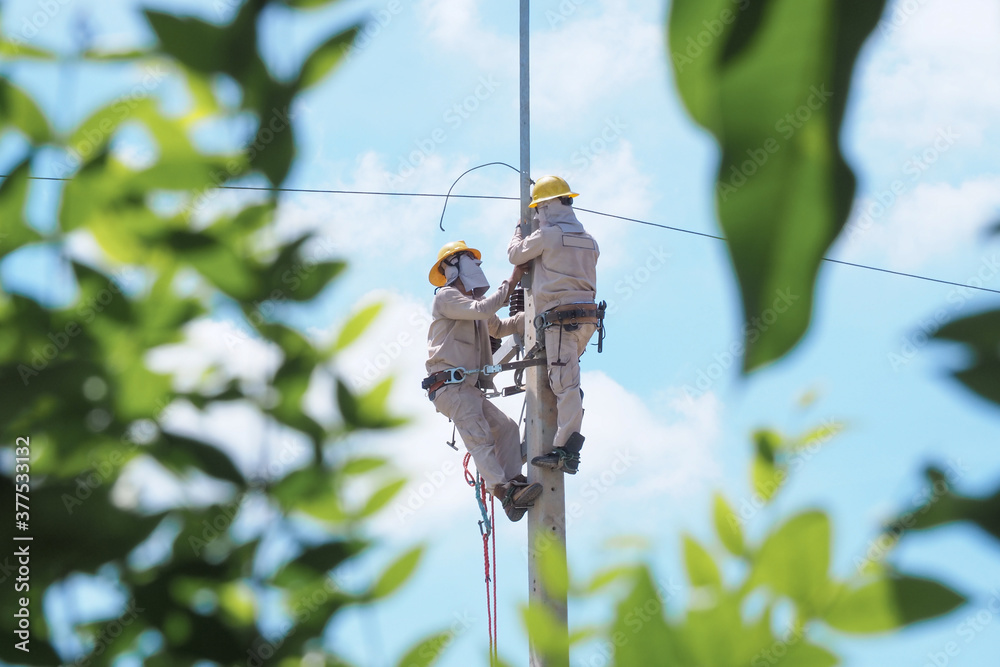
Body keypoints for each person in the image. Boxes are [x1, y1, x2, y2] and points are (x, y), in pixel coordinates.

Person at [423, 240, 541, 521]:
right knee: (481, 438)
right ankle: (502, 490)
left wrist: (535, 315)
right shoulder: (447, 298)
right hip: (449, 386)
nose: (476, 265)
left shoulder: (472, 305)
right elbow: (484, 310)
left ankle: (514, 484)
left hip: (467, 388)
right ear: (453, 266)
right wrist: (513, 278)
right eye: (469, 259)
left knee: (507, 428)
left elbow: (497, 328)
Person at [508, 176, 600, 474]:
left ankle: (566, 451)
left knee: (564, 384)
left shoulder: (547, 236)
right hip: (587, 320)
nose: (537, 215)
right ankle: (570, 420)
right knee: (566, 380)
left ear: (546, 206)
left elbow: (515, 255)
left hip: (560, 321)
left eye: (538, 209)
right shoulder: (590, 240)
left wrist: (520, 230)